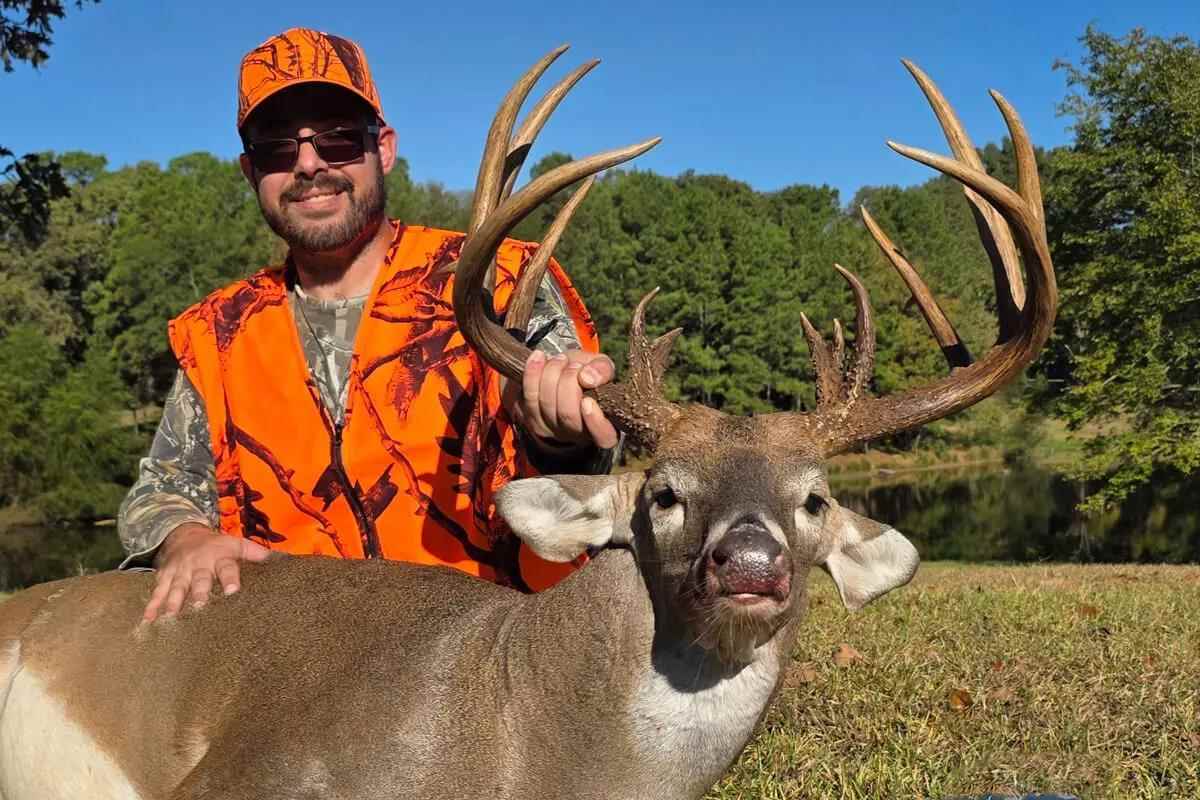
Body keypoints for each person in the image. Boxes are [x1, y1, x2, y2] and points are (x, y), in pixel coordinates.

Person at [117, 28, 619, 621]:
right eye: (279, 148)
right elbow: (162, 490)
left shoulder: (501, 280)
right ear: (252, 171)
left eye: (336, 139)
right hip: (301, 666)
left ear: (383, 148)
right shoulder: (220, 333)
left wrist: (556, 429)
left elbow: (581, 463)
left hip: (488, 661)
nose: (308, 165)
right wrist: (185, 540)